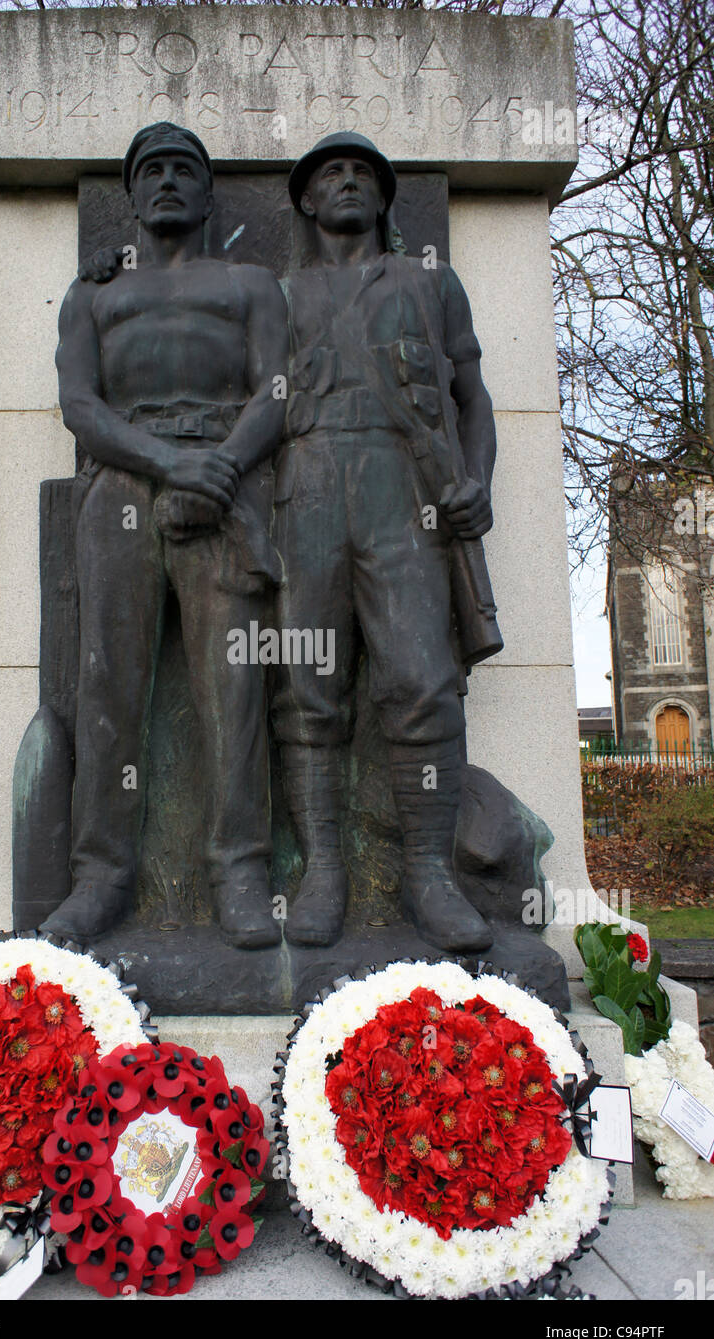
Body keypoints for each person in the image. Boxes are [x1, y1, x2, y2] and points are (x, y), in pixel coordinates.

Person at [44, 122, 288, 948]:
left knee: (234, 690)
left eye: (186, 169)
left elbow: (278, 390)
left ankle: (240, 874)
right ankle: (101, 876)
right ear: (132, 194)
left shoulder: (252, 283)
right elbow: (80, 406)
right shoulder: (93, 295)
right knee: (109, 686)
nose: (169, 182)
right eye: (151, 170)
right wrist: (164, 462)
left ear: (209, 191)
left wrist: (216, 465)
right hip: (121, 484)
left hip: (223, 487)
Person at [273, 132, 499, 953]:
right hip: (303, 493)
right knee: (307, 683)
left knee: (423, 681)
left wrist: (475, 478)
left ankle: (429, 875)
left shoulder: (429, 281)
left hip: (405, 493)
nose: (345, 183)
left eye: (361, 173)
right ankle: (322, 870)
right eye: (330, 173)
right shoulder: (276, 293)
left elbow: (471, 397)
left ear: (383, 196)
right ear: (304, 198)